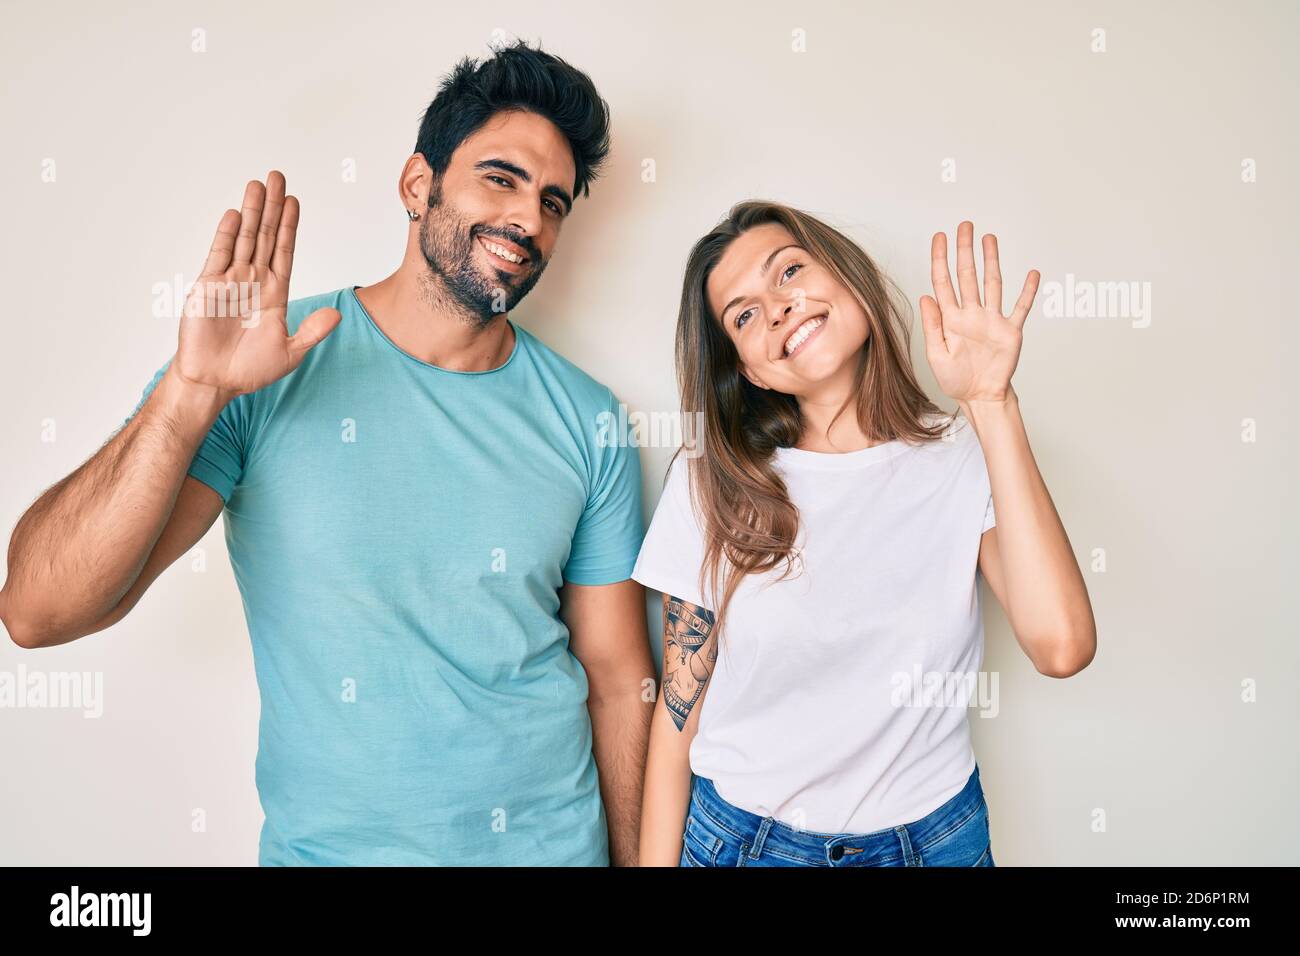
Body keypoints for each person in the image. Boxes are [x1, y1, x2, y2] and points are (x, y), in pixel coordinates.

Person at [0, 41, 654, 866]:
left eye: (553, 201)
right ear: (419, 184)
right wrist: (190, 392)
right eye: (502, 178)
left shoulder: (587, 420)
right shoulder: (265, 366)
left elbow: (615, 676)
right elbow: (36, 613)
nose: (529, 219)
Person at [633, 201, 1097, 867]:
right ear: (752, 370)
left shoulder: (965, 454)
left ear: (846, 278)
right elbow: (677, 724)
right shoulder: (712, 479)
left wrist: (992, 404)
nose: (778, 308)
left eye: (789, 271)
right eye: (744, 314)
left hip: (936, 844)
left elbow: (1063, 647)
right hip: (745, 845)